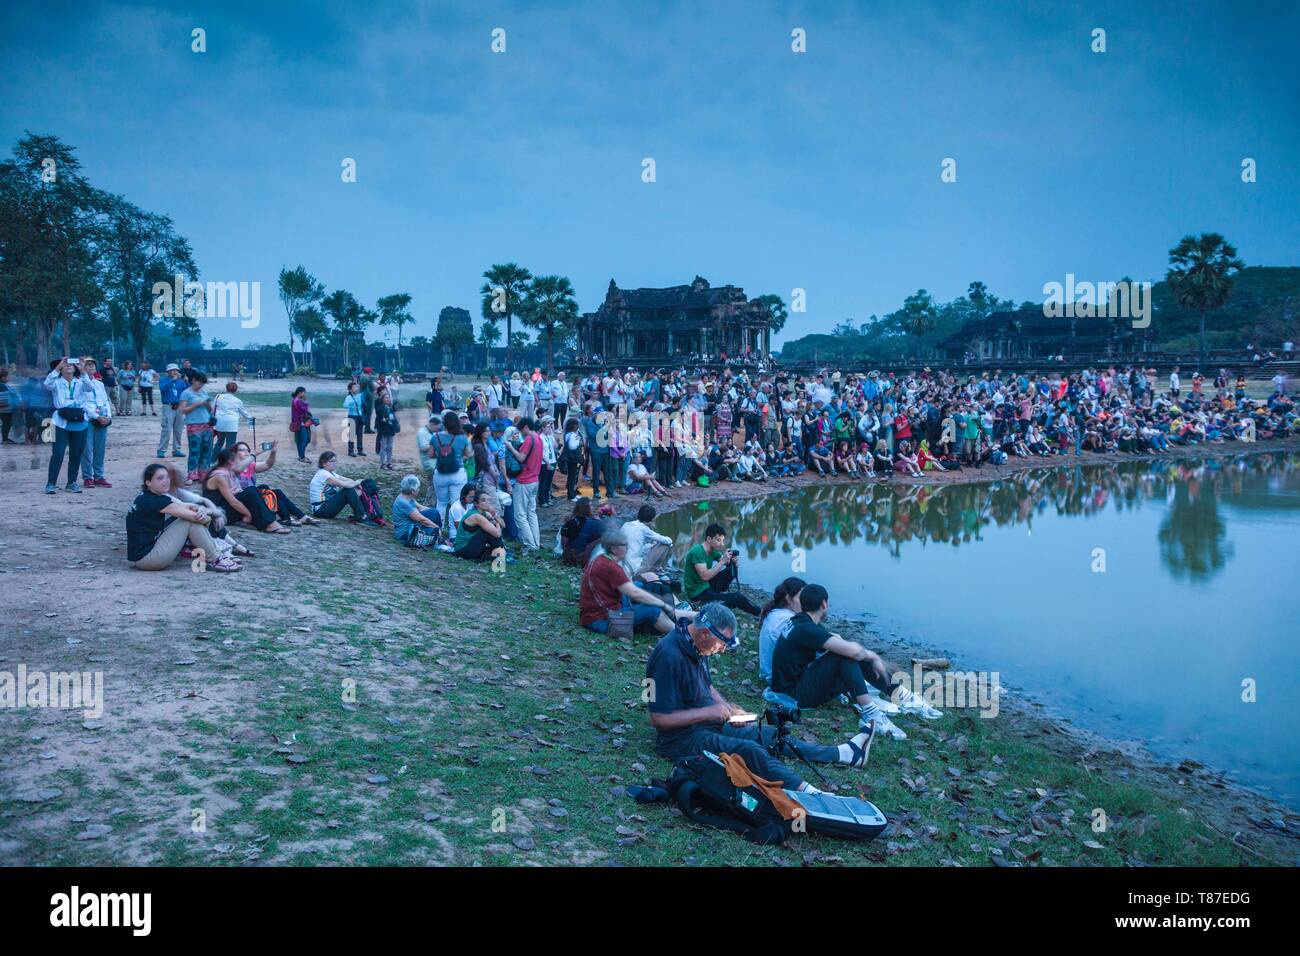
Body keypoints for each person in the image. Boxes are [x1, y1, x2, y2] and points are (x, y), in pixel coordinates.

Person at [646, 606, 873, 792]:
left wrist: (725, 707)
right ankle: (810, 793)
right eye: (722, 643)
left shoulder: (695, 645)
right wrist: (710, 713)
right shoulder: (668, 656)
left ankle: (845, 753)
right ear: (705, 633)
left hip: (707, 723)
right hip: (680, 740)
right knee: (749, 750)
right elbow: (658, 719)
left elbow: (706, 685)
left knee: (770, 735)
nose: (722, 650)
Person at [770, 585, 940, 740]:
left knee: (849, 653)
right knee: (845, 656)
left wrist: (865, 654)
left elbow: (837, 639)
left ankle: (905, 698)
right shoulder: (807, 629)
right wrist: (873, 657)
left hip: (792, 687)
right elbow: (852, 651)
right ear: (824, 604)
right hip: (793, 696)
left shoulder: (799, 622)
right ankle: (871, 713)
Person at [127, 463, 242, 572]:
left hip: (145, 553)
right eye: (160, 478)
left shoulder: (149, 496)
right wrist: (206, 514)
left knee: (189, 519)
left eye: (167, 477)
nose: (166, 481)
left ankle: (216, 556)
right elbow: (201, 519)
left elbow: (187, 505)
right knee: (190, 522)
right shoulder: (154, 501)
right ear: (148, 482)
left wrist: (202, 509)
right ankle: (215, 559)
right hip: (148, 559)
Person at [579, 529, 683, 635]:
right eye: (625, 545)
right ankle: (681, 634)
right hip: (602, 620)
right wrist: (663, 605)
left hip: (591, 614)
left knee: (639, 585)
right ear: (614, 548)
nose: (628, 548)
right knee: (653, 609)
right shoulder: (611, 567)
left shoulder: (600, 559)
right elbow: (635, 593)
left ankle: (681, 616)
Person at [202, 447, 291, 534]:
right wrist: (248, 514)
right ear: (230, 461)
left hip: (225, 505)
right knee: (250, 491)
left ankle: (272, 520)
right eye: (237, 459)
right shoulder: (219, 476)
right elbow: (233, 502)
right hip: (219, 513)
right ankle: (269, 524)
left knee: (258, 489)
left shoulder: (225, 472)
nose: (239, 462)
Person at [682, 523, 762, 616]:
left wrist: (732, 560)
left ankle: (720, 594)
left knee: (731, 569)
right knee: (738, 598)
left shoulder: (712, 550)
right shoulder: (698, 551)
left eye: (722, 540)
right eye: (718, 540)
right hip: (698, 594)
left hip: (706, 586)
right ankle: (761, 612)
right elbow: (704, 576)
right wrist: (722, 561)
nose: (722, 544)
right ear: (708, 539)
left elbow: (726, 562)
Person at [231, 440, 315, 526]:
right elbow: (238, 469)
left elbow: (268, 464)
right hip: (241, 500)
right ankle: (286, 517)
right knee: (265, 489)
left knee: (276, 492)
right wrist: (254, 455)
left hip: (253, 497)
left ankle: (297, 516)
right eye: (242, 450)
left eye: (247, 450)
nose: (246, 452)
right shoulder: (232, 465)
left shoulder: (250, 466)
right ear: (234, 453)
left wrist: (273, 453)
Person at [43, 357, 96, 493]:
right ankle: (51, 483)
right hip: (60, 421)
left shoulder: (80, 382)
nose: (69, 366)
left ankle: (71, 482)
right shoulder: (56, 382)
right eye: (65, 364)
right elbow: (47, 384)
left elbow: (90, 387)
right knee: (58, 453)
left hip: (79, 421)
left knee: (76, 453)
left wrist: (83, 370)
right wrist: (57, 368)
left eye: (71, 364)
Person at [757, 576, 806, 683]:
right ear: (788, 598)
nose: (805, 602)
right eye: (801, 598)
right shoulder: (787, 619)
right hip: (779, 679)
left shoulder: (773, 612)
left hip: (768, 672)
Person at [505, 416, 543, 551]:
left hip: (524, 480)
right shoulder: (538, 438)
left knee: (520, 515)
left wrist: (510, 447)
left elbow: (521, 458)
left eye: (521, 431)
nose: (521, 434)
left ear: (525, 427)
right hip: (535, 480)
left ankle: (530, 544)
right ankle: (536, 543)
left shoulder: (529, 439)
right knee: (531, 513)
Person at [308, 451, 373, 523]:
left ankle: (364, 513)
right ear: (324, 463)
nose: (334, 463)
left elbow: (348, 480)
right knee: (348, 490)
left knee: (355, 490)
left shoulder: (331, 474)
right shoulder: (323, 474)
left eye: (335, 461)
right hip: (320, 511)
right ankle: (360, 516)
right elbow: (345, 484)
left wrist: (358, 483)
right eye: (331, 461)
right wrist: (357, 482)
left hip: (326, 507)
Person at [428, 411, 470, 521]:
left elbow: (431, 455)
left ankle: (438, 529)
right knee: (456, 504)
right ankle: (454, 533)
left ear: (444, 423)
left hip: (440, 473)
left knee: (441, 503)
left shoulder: (435, 437)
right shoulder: (462, 437)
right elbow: (468, 454)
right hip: (458, 473)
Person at [78, 357, 114, 487]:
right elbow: (83, 403)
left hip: (102, 418)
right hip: (89, 418)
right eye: (87, 365)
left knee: (100, 449)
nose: (91, 366)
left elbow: (105, 401)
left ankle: (98, 476)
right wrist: (95, 416)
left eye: (92, 364)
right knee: (87, 449)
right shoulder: (79, 383)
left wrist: (108, 416)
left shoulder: (99, 384)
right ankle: (88, 477)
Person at [452, 487, 510, 562]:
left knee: (490, 529)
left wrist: (494, 514)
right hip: (462, 550)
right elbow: (498, 534)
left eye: (489, 500)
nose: (487, 503)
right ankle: (501, 554)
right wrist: (496, 523)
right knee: (487, 530)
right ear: (476, 504)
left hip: (468, 547)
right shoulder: (476, 516)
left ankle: (500, 553)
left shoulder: (484, 513)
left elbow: (504, 525)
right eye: (483, 500)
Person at [178, 370, 216, 482]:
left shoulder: (204, 392)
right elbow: (182, 410)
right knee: (194, 450)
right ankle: (192, 475)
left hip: (207, 424)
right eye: (199, 383)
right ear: (194, 380)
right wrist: (197, 404)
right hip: (194, 425)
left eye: (203, 384)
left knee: (206, 450)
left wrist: (208, 405)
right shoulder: (186, 393)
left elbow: (210, 410)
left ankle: (204, 473)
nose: (201, 386)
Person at [621, 503, 673, 579]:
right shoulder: (644, 529)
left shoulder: (626, 524)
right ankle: (656, 569)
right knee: (665, 545)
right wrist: (667, 543)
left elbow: (635, 546)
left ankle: (654, 569)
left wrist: (651, 546)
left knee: (651, 544)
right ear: (651, 519)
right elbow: (667, 540)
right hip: (636, 570)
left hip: (622, 566)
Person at [392, 474, 443, 547]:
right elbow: (422, 520)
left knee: (434, 512)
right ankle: (439, 539)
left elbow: (421, 508)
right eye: (418, 488)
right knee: (432, 531)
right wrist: (436, 527)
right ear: (412, 491)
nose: (419, 489)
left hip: (412, 525)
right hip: (406, 533)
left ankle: (439, 538)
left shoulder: (407, 497)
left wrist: (437, 515)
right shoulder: (403, 503)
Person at [156, 363, 187, 459]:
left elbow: (186, 392)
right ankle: (161, 450)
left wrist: (186, 381)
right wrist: (172, 381)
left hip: (179, 407)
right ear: (168, 371)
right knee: (167, 429)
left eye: (176, 370)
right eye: (172, 370)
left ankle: (176, 449)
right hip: (168, 406)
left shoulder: (180, 381)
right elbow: (163, 389)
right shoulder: (163, 380)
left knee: (178, 429)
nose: (175, 372)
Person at [213, 381, 253, 454]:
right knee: (230, 445)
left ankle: (212, 460)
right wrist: (251, 418)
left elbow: (213, 409)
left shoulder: (218, 397)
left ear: (226, 388)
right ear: (235, 390)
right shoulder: (238, 401)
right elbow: (244, 413)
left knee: (219, 443)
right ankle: (228, 462)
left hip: (220, 422)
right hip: (232, 424)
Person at [374, 390, 399, 469]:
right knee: (383, 447)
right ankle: (382, 463)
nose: (388, 399)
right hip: (384, 430)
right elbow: (382, 420)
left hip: (391, 429)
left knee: (390, 447)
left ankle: (389, 462)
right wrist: (388, 419)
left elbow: (393, 417)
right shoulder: (380, 408)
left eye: (389, 398)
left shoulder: (391, 407)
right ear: (383, 399)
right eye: (386, 398)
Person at [290, 387, 314, 461]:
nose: (304, 394)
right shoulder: (298, 401)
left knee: (300, 440)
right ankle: (302, 457)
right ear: (300, 392)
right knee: (304, 440)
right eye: (304, 393)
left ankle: (301, 456)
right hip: (301, 423)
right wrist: (306, 401)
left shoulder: (294, 400)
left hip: (297, 422)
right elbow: (305, 410)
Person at [344, 382, 366, 457]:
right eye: (354, 387)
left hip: (359, 416)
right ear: (350, 389)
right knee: (352, 434)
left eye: (356, 387)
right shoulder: (348, 397)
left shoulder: (359, 396)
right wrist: (352, 403)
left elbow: (363, 404)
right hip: (352, 416)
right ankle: (351, 451)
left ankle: (360, 450)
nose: (356, 389)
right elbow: (345, 405)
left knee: (360, 433)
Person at [0, 369, 17, 444]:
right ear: (3, 378)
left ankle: (5, 438)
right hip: (5, 408)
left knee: (6, 422)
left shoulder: (3, 385)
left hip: (3, 408)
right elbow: (6, 396)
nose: (8, 378)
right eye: (7, 377)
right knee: (7, 422)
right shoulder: (2, 386)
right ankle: (5, 439)